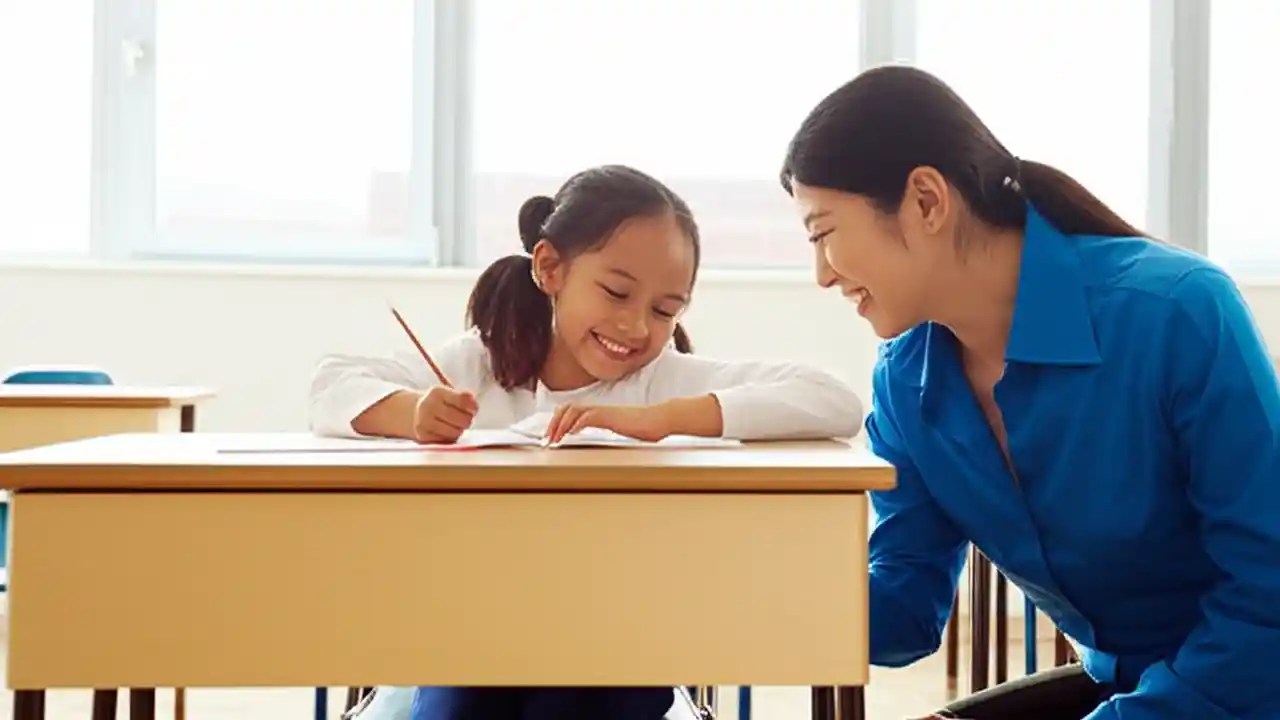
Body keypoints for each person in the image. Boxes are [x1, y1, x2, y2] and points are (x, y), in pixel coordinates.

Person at [780, 64, 1280, 719]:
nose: (821, 275)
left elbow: (1269, 595)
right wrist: (748, 590)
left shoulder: (1175, 312)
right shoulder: (906, 383)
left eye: (823, 234)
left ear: (926, 200)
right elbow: (905, 608)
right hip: (1126, 691)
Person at [310, 164, 864, 720]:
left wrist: (662, 419)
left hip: (617, 650)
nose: (635, 326)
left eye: (664, 310)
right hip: (472, 639)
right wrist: (414, 414)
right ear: (550, 269)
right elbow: (330, 383)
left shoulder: (662, 381)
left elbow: (833, 398)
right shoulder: (481, 363)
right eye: (616, 292)